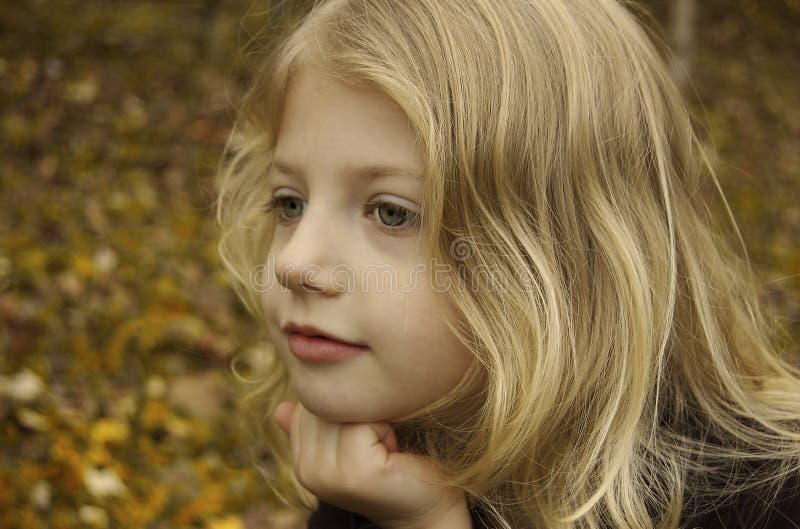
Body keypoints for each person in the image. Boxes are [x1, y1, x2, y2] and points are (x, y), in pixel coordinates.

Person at [214, 0, 800, 527]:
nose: (294, 261)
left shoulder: (767, 499)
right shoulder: (371, 471)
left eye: (391, 213)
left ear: (568, 254)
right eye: (290, 203)